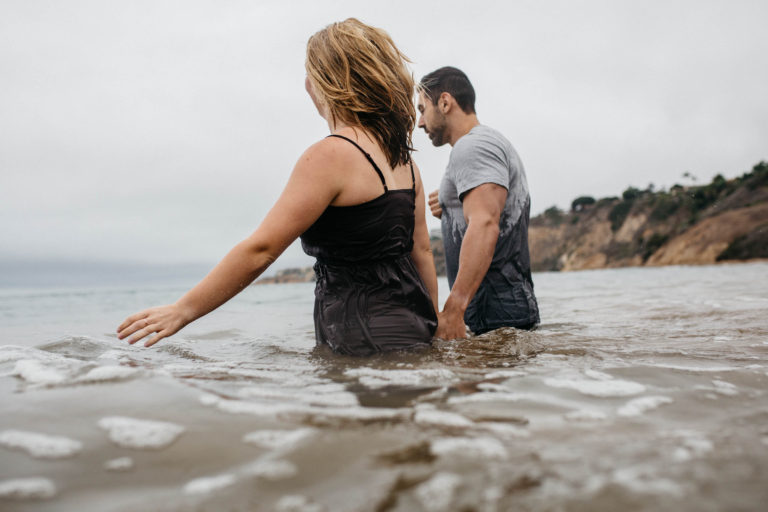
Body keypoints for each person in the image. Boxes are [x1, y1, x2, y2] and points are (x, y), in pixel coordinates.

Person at [117, 19, 438, 356]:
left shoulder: (330, 155)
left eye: (309, 73)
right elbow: (423, 251)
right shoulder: (405, 163)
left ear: (325, 81)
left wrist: (182, 310)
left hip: (362, 343)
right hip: (414, 329)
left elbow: (262, 249)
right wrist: (437, 323)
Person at [416, 66, 539, 340]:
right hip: (502, 308)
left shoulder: (473, 146)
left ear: (445, 102)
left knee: (474, 383)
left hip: (495, 312)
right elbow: (487, 215)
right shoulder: (485, 144)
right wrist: (450, 209)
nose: (420, 123)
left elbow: (484, 224)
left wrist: (454, 309)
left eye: (422, 109)